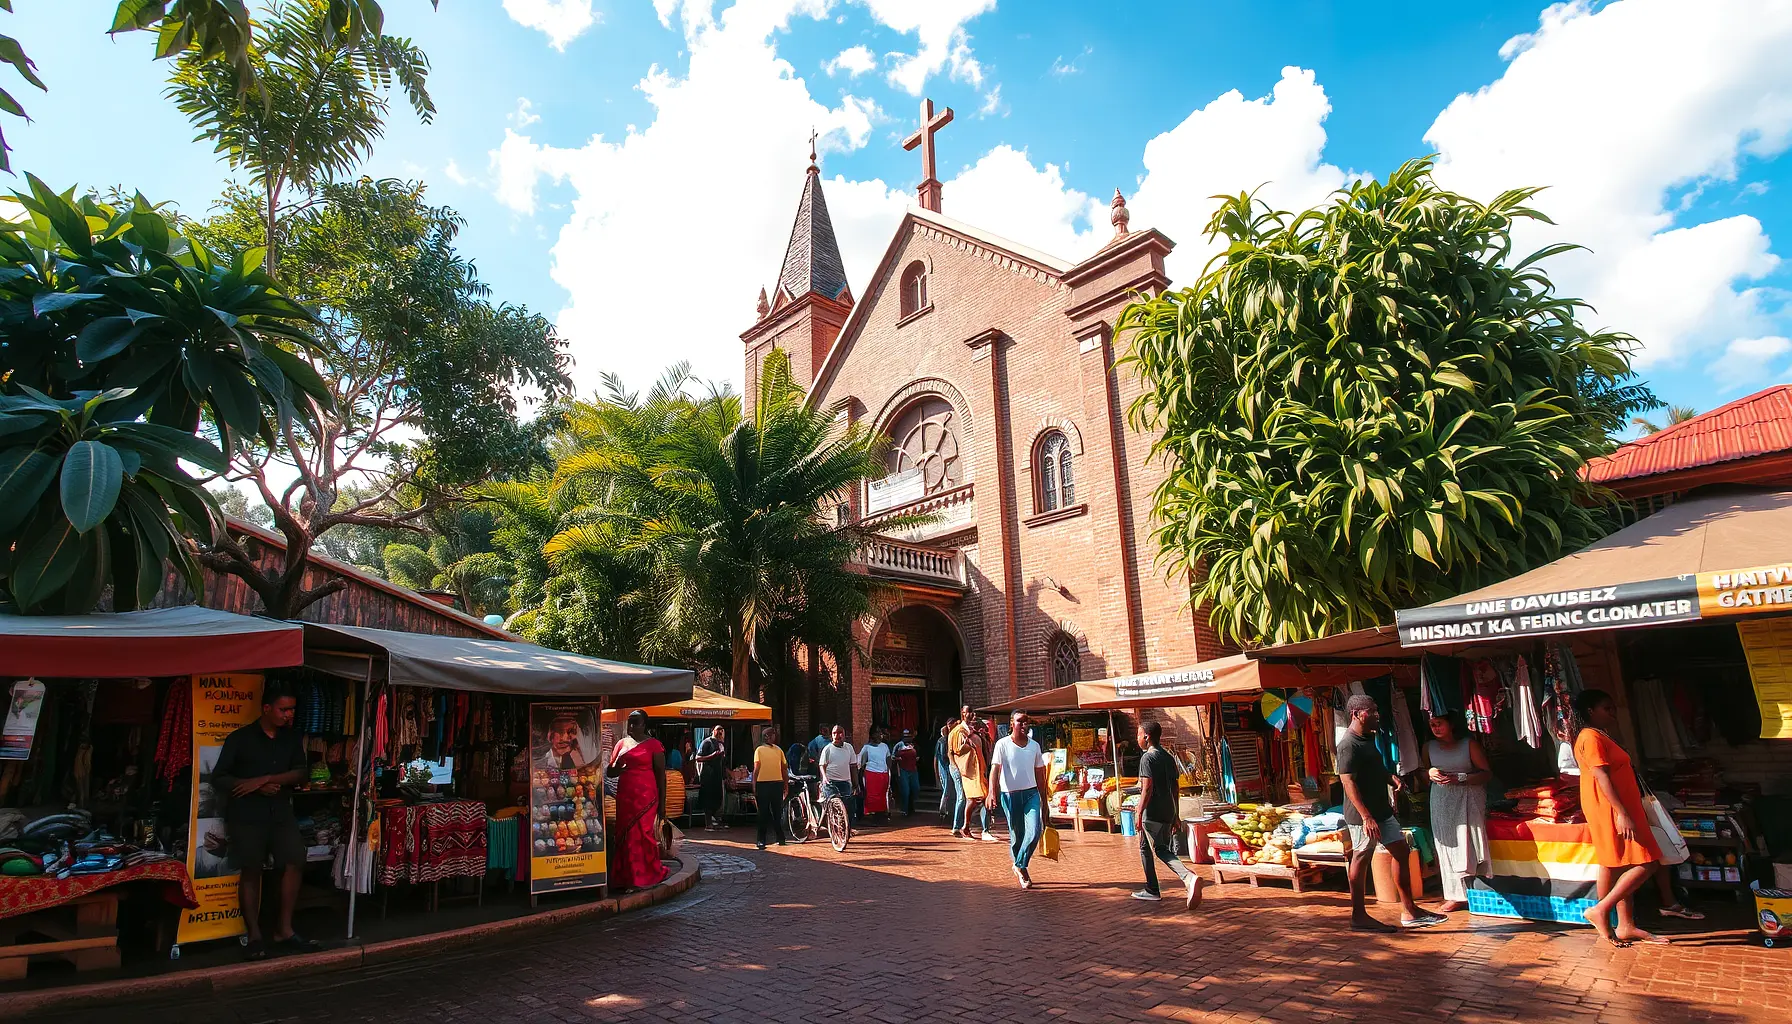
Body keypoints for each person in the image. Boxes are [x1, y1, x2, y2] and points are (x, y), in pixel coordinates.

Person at [211, 685, 318, 960]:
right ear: (267, 708)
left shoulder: (290, 739)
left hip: (280, 813)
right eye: (284, 709)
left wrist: (266, 779)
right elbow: (219, 778)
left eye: (292, 710)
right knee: (251, 870)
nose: (289, 715)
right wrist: (252, 786)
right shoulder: (240, 739)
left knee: (295, 860)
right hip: (246, 815)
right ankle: (255, 935)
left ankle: (284, 929)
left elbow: (301, 773)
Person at [1338, 694, 1445, 931]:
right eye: (1372, 711)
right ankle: (1358, 916)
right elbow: (1348, 783)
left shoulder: (1368, 738)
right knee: (1361, 856)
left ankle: (1409, 910)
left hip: (1381, 810)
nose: (1377, 715)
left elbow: (1374, 768)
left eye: (1377, 710)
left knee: (1401, 850)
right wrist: (1366, 817)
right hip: (1363, 816)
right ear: (1357, 714)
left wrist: (1389, 777)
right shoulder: (1348, 745)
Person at [1570, 689, 1667, 947]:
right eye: (1606, 708)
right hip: (1612, 808)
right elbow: (1601, 777)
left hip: (1618, 806)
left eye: (1613, 707)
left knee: (1618, 863)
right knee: (1648, 861)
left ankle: (1625, 925)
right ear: (1590, 711)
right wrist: (1622, 813)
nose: (1612, 713)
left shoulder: (1598, 735)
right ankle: (1602, 910)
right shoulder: (1590, 737)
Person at [1424, 710, 1492, 913]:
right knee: (1447, 845)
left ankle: (1477, 892)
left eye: (1439, 723)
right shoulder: (1428, 747)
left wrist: (1460, 778)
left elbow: (1486, 774)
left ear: (1451, 724)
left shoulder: (1468, 745)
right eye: (1432, 725)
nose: (1436, 728)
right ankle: (1455, 895)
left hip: (1468, 797)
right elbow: (1421, 773)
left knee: (1469, 842)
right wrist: (1429, 773)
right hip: (1441, 799)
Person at [1133, 720, 1202, 910]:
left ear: (1146, 737)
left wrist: (1139, 812)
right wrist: (1176, 814)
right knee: (1144, 847)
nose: (1137, 738)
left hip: (1152, 811)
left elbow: (1147, 788)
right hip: (1168, 810)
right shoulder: (1168, 757)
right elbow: (1175, 787)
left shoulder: (1147, 758)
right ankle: (1151, 889)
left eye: (1138, 735)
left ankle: (1188, 877)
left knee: (1161, 849)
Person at [608, 710, 669, 890]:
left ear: (644, 725)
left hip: (646, 799)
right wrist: (617, 767)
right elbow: (610, 772)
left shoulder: (654, 745)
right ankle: (625, 876)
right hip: (625, 797)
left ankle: (643, 876)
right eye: (630, 722)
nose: (632, 726)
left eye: (636, 723)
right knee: (624, 835)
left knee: (642, 835)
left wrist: (663, 805)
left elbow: (661, 777)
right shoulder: (621, 744)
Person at [987, 711, 1049, 889]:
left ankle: (1020, 865)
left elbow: (1040, 774)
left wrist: (1044, 800)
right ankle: (1022, 868)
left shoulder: (1034, 746)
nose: (1023, 725)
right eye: (1020, 722)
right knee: (1017, 835)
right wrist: (992, 792)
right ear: (1011, 724)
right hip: (1010, 794)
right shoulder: (1002, 744)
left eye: (1026, 722)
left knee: (1035, 831)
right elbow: (995, 769)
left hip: (1031, 794)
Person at [949, 708, 997, 842]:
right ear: (963, 714)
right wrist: (969, 741)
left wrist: (983, 736)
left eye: (973, 713)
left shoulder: (976, 732)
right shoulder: (959, 731)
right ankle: (964, 827)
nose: (972, 715)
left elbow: (985, 748)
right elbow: (955, 751)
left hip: (979, 770)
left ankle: (980, 829)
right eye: (969, 712)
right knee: (972, 799)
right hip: (968, 772)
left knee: (983, 798)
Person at [753, 726, 789, 850]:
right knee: (763, 813)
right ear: (767, 736)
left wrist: (785, 784)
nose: (775, 736)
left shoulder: (779, 750)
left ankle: (781, 838)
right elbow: (756, 769)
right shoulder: (759, 750)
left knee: (777, 812)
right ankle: (761, 840)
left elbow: (784, 769)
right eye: (772, 734)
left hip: (777, 783)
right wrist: (754, 784)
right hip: (763, 784)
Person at [817, 724, 859, 824]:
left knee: (849, 808)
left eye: (840, 733)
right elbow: (822, 766)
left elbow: (853, 766)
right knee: (833, 808)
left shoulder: (849, 748)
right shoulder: (827, 749)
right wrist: (824, 778)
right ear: (831, 735)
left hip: (845, 782)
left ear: (844, 735)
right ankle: (833, 827)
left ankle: (845, 829)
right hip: (830, 783)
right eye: (834, 733)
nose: (837, 735)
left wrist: (856, 783)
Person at [694, 725, 727, 831]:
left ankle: (716, 821)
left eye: (721, 730)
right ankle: (708, 823)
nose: (720, 732)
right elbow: (698, 758)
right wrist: (712, 756)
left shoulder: (720, 744)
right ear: (713, 730)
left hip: (717, 775)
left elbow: (722, 761)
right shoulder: (706, 742)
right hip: (708, 775)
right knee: (708, 799)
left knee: (717, 798)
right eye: (718, 730)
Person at [859, 728, 893, 820]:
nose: (880, 735)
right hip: (871, 774)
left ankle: (882, 813)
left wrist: (888, 770)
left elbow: (888, 758)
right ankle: (871, 815)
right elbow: (861, 762)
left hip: (883, 774)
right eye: (878, 733)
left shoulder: (884, 746)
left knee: (883, 794)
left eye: (881, 733)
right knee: (871, 795)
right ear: (872, 735)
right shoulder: (866, 747)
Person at [935, 720, 958, 828]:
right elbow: (942, 757)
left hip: (947, 768)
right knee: (947, 790)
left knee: (949, 790)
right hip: (946, 768)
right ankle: (944, 811)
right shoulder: (943, 740)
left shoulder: (947, 739)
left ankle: (946, 811)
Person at [893, 729, 921, 817]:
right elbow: (892, 756)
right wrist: (898, 759)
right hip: (903, 770)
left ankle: (911, 807)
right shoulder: (898, 745)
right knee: (905, 790)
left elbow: (919, 755)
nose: (907, 739)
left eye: (909, 737)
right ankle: (904, 809)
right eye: (905, 737)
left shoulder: (914, 745)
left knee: (915, 788)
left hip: (913, 770)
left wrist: (917, 759)